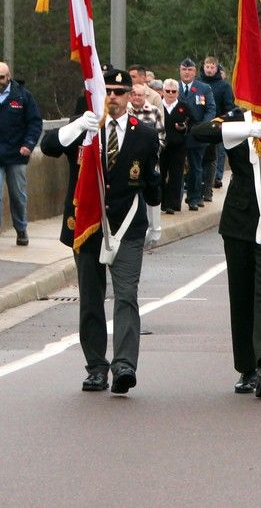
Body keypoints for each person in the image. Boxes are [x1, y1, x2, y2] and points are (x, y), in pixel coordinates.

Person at [45, 68, 161, 394]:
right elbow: (49, 145)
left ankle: (124, 365)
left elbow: (152, 185)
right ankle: (96, 367)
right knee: (91, 300)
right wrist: (75, 128)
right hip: (87, 227)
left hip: (127, 228)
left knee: (126, 296)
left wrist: (156, 221)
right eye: (107, 91)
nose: (113, 97)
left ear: (129, 97)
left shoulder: (145, 134)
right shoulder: (85, 129)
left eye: (119, 92)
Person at [193, 64, 261, 398]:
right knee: (242, 296)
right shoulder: (235, 121)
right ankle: (247, 367)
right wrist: (241, 131)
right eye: (260, 90)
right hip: (240, 222)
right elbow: (199, 132)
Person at [0, 61, 43, 246]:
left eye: (1, 77)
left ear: (8, 77)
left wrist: (29, 144)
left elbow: (35, 122)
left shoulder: (23, 97)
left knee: (18, 195)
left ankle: (21, 228)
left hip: (16, 154)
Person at [178, 57, 216, 211]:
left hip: (197, 132)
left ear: (195, 71)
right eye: (184, 69)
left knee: (196, 167)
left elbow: (211, 109)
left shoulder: (203, 88)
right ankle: (176, 199)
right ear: (180, 70)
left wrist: (204, 126)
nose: (187, 73)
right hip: (178, 133)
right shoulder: (173, 87)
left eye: (190, 70)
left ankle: (194, 197)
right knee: (177, 167)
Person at [199, 56, 235, 197]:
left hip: (218, 123)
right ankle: (200, 181)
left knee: (217, 154)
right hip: (201, 124)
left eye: (212, 67)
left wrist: (224, 121)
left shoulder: (224, 86)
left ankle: (216, 178)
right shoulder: (198, 83)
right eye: (207, 67)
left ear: (217, 68)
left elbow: (229, 105)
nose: (209, 70)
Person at [159, 79, 192, 214]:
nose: (170, 94)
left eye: (173, 91)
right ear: (163, 92)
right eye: (168, 91)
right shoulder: (158, 107)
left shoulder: (184, 107)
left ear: (178, 93)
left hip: (178, 146)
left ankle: (172, 204)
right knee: (160, 174)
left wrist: (184, 127)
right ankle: (160, 202)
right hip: (161, 145)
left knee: (176, 175)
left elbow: (192, 122)